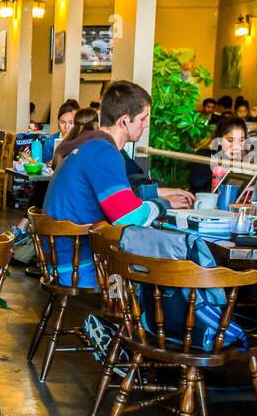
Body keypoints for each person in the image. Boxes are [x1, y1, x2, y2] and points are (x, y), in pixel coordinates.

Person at [41, 81, 193, 285]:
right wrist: (163, 205)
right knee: (169, 267)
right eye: (143, 118)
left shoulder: (88, 145)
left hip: (60, 258)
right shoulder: (104, 153)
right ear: (124, 121)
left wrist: (155, 196)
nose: (146, 124)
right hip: (78, 266)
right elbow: (129, 218)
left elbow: (117, 198)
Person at [189, 115, 248, 194]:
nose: (236, 145)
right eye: (230, 140)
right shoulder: (204, 154)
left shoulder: (242, 159)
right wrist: (223, 160)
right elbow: (197, 183)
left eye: (241, 140)